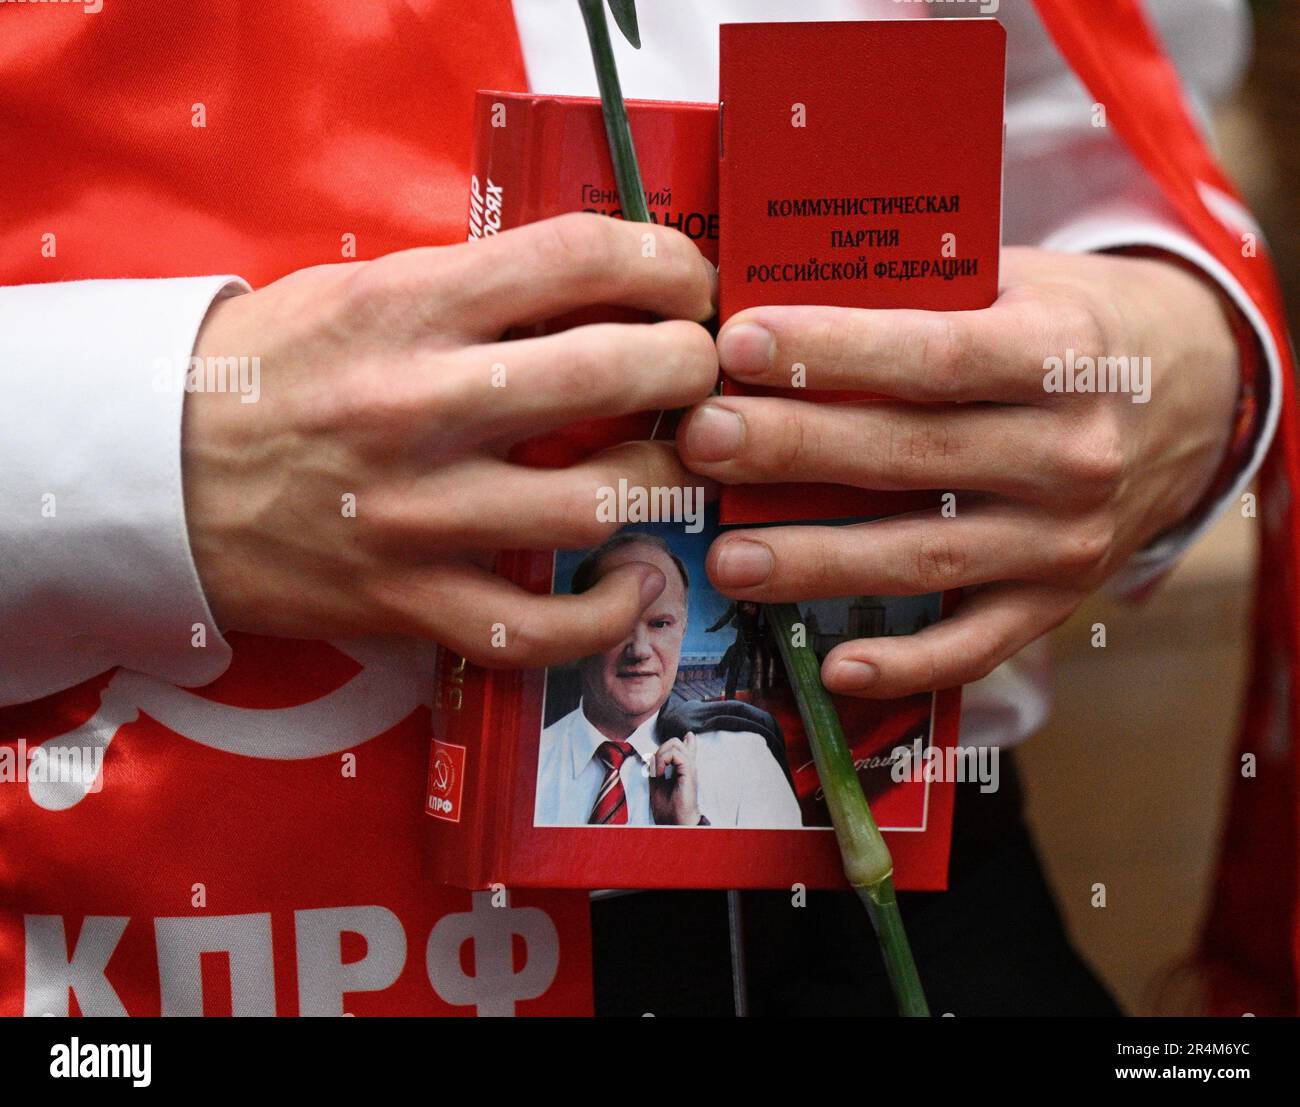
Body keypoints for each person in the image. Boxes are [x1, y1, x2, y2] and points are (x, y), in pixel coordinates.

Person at [0, 0, 1289, 1015]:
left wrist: (1186, 352)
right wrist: (135, 455)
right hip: (141, 929)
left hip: (894, 908)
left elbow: (1100, 130)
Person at [535, 535, 802, 828]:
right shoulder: (527, 765)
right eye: (616, 624)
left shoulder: (748, 762)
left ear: (683, 629)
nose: (639, 650)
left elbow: (784, 875)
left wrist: (690, 827)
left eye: (660, 624)